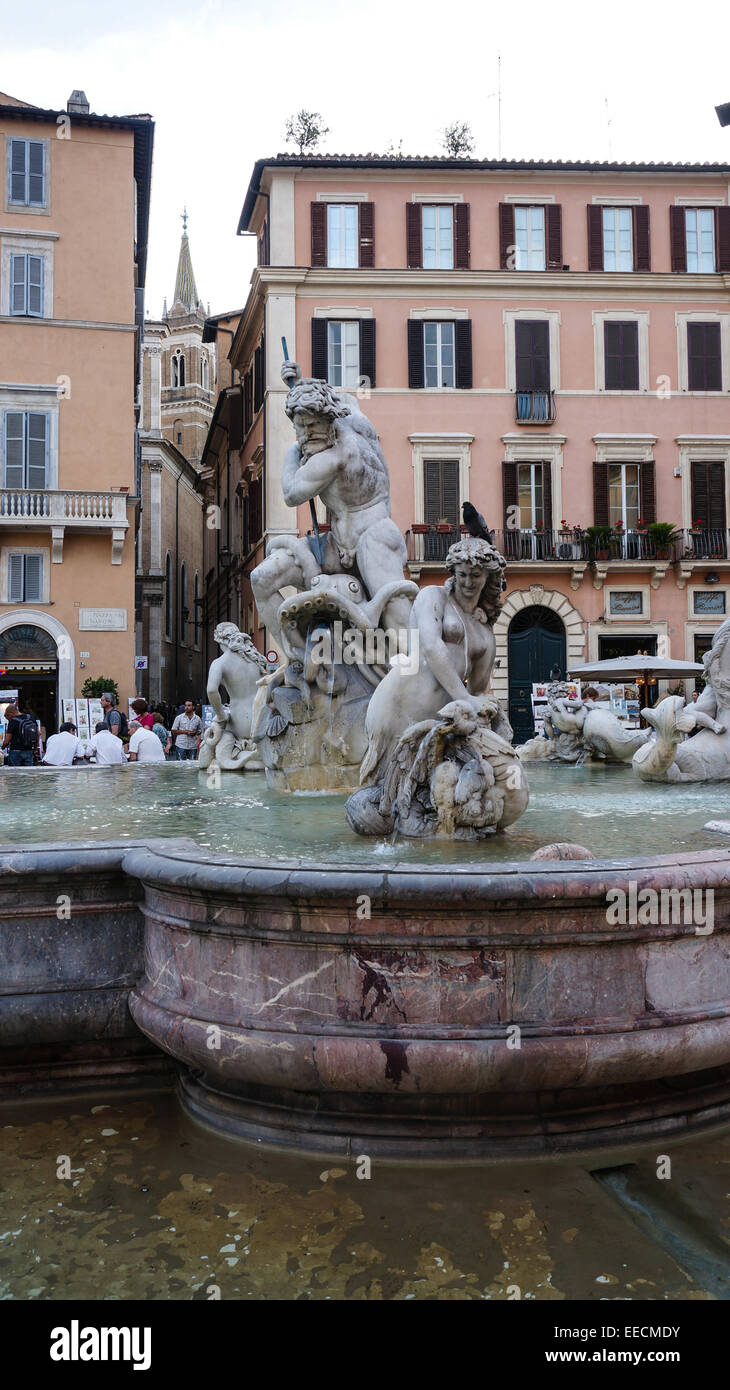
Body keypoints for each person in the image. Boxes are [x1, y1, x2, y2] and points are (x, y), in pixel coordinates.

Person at [251, 364, 410, 646]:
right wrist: (299, 384)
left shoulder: (335, 458)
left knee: (403, 633)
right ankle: (299, 657)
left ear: (328, 420)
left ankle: (415, 681)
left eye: (312, 427)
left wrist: (293, 449)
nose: (306, 434)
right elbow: (339, 399)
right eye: (300, 427)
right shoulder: (354, 415)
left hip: (374, 540)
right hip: (336, 546)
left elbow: (291, 494)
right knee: (262, 578)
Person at [360, 535, 509, 785]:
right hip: (398, 705)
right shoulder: (432, 597)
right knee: (384, 786)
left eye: (475, 575)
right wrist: (464, 698)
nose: (468, 582)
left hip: (439, 719)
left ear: (488, 577)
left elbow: (478, 690)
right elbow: (431, 647)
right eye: (462, 574)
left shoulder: (484, 631)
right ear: (453, 572)